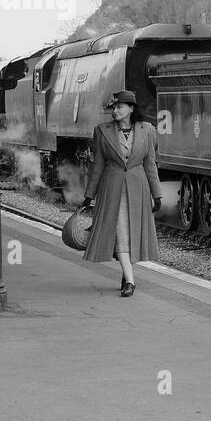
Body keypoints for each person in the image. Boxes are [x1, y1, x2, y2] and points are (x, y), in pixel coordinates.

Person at [81, 90, 163, 297]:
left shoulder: (148, 130)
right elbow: (98, 164)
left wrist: (157, 194)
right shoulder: (102, 131)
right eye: (113, 108)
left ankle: (126, 273)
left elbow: (150, 163)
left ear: (131, 109)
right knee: (121, 232)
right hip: (112, 187)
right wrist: (89, 194)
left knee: (133, 232)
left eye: (119, 107)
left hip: (138, 188)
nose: (115, 111)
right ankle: (131, 282)